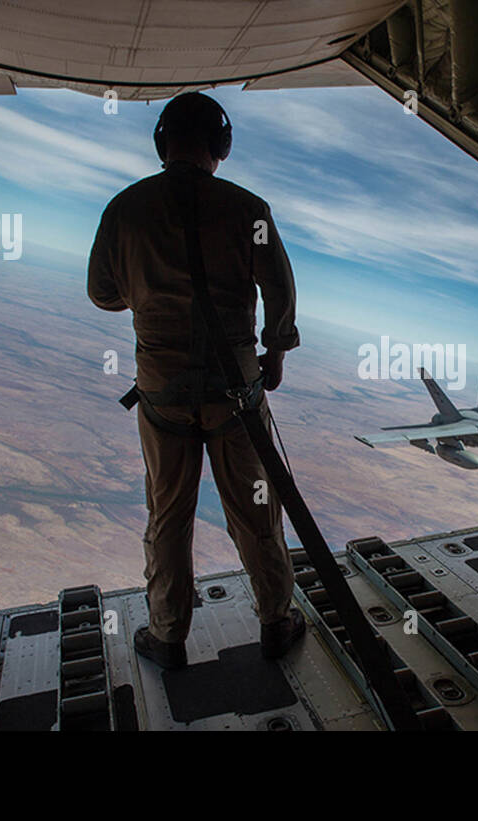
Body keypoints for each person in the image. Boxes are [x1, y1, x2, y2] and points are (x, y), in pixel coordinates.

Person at [87, 91, 304, 668]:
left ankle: (166, 635)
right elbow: (279, 288)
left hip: (162, 395)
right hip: (237, 392)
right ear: (220, 144)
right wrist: (274, 353)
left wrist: (149, 297)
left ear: (162, 141)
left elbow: (101, 292)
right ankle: (277, 623)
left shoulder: (123, 209)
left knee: (168, 514)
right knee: (255, 512)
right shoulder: (248, 209)